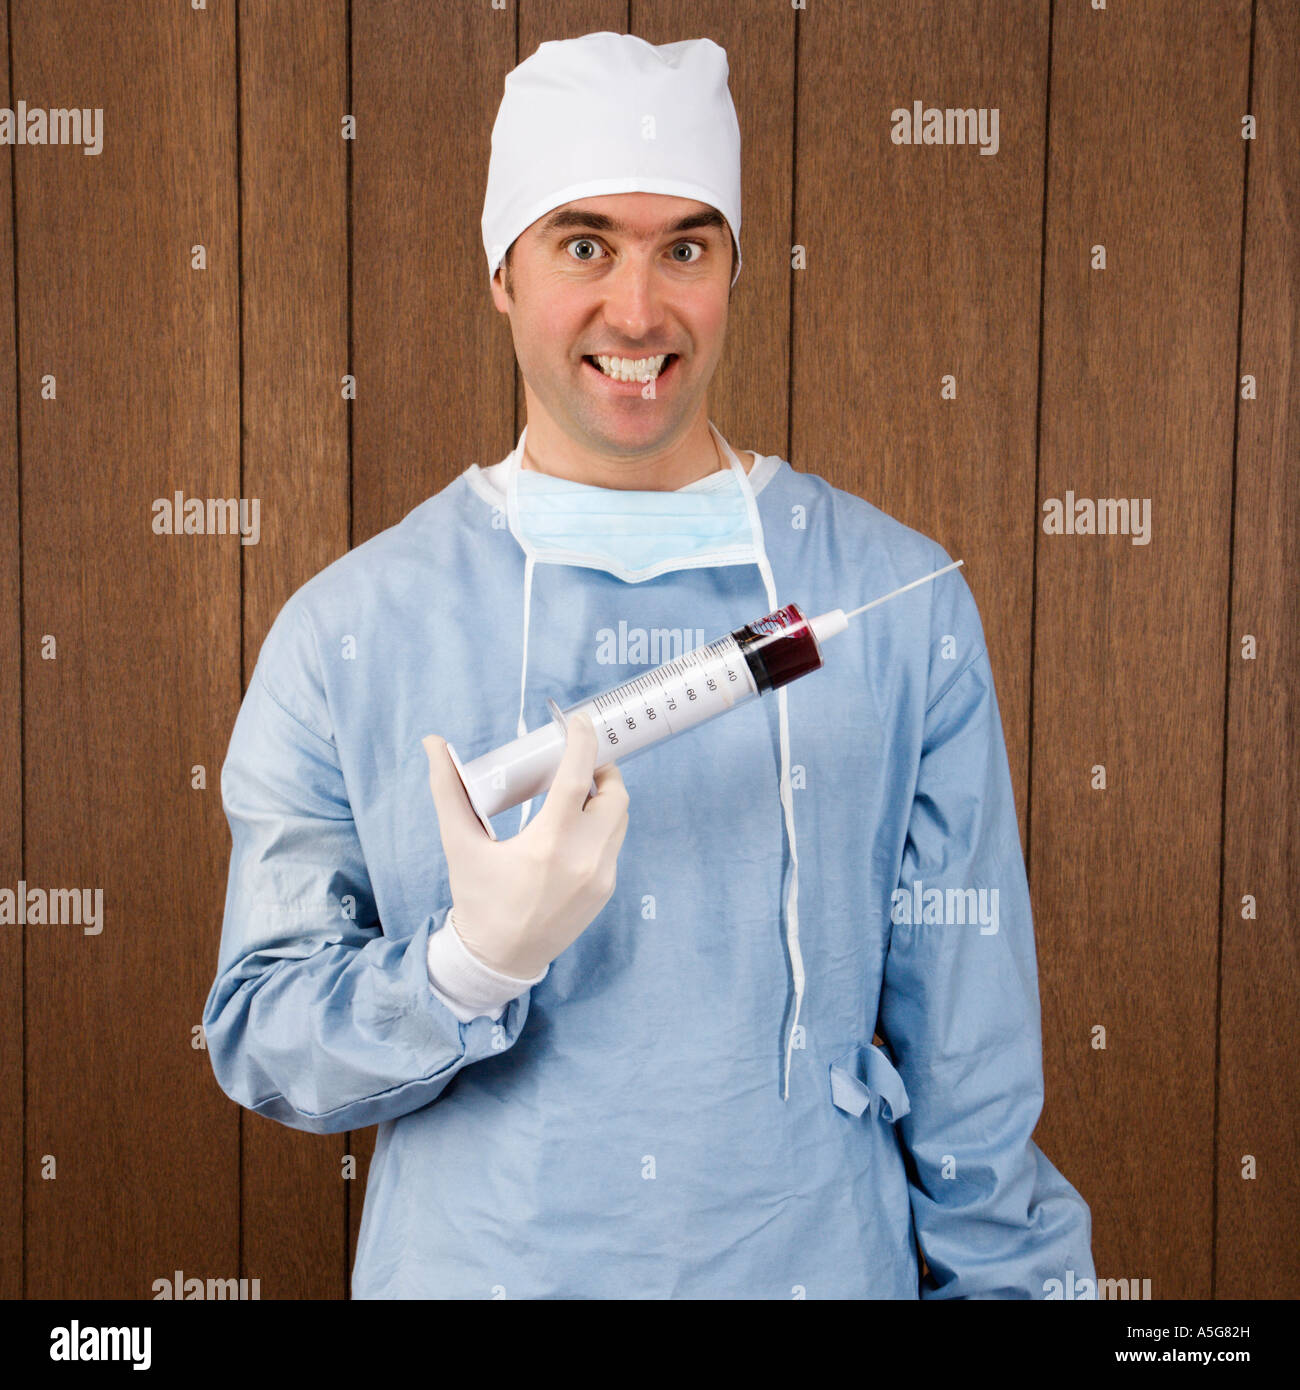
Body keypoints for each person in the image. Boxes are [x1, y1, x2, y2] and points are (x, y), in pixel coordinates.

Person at [203, 30, 1095, 1300]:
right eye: (583, 245)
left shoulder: (898, 606)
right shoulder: (350, 628)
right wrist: (466, 966)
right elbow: (261, 1034)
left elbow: (976, 1073)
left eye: (685, 246)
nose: (637, 310)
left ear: (733, 270)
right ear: (501, 273)